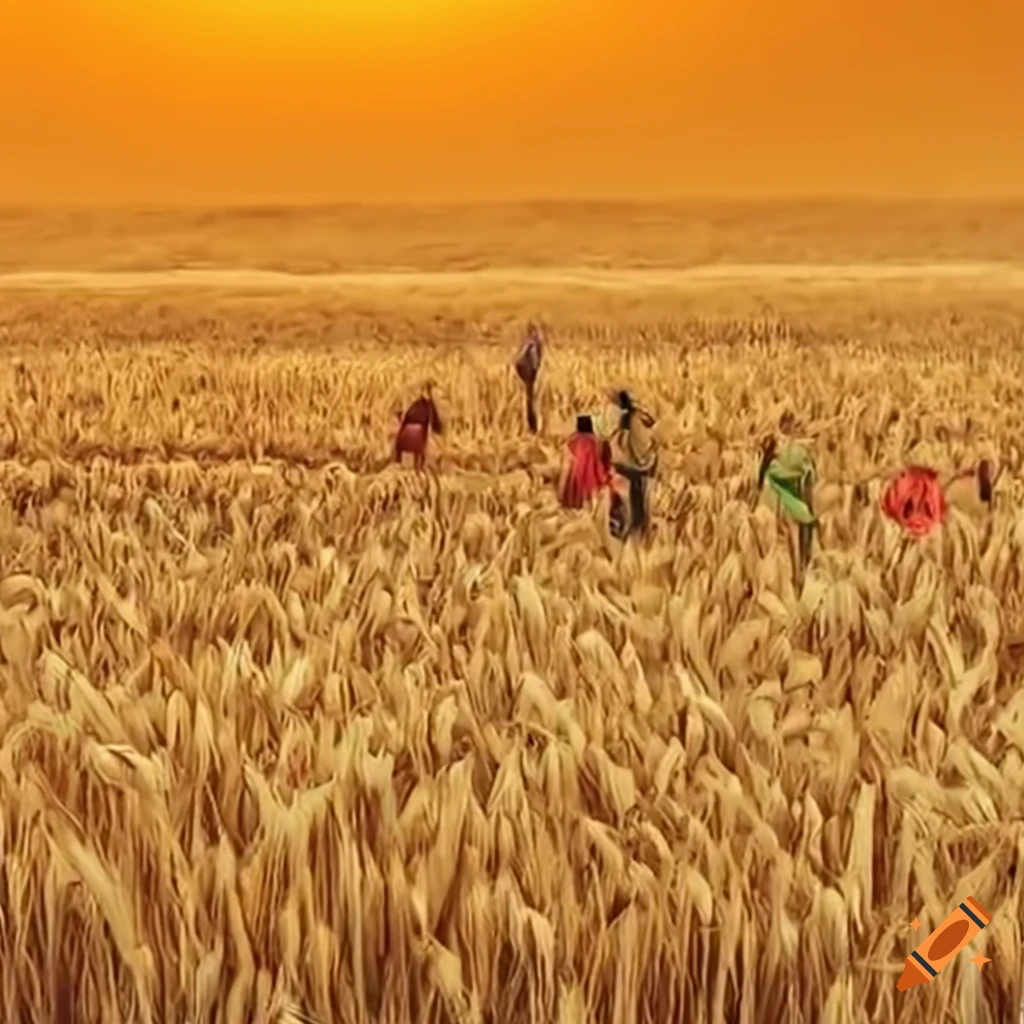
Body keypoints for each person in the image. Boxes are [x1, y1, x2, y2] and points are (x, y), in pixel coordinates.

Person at [608, 390, 658, 536]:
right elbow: (640, 447)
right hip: (636, 466)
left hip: (628, 466)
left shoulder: (629, 419)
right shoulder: (634, 419)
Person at [558, 415, 612, 508]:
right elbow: (602, 466)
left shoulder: (571, 442)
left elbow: (565, 470)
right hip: (593, 491)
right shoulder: (598, 442)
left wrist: (560, 493)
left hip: (575, 493)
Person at [394, 384, 443, 468]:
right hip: (418, 434)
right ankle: (419, 466)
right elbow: (435, 422)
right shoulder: (429, 407)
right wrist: (439, 430)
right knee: (420, 451)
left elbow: (405, 420)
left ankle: (399, 462)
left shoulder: (414, 405)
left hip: (405, 434)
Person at [513, 323, 544, 433]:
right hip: (530, 374)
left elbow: (517, 360)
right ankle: (533, 427)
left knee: (529, 402)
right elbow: (534, 361)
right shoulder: (532, 344)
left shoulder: (528, 344)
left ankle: (532, 427)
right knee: (531, 402)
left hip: (527, 374)